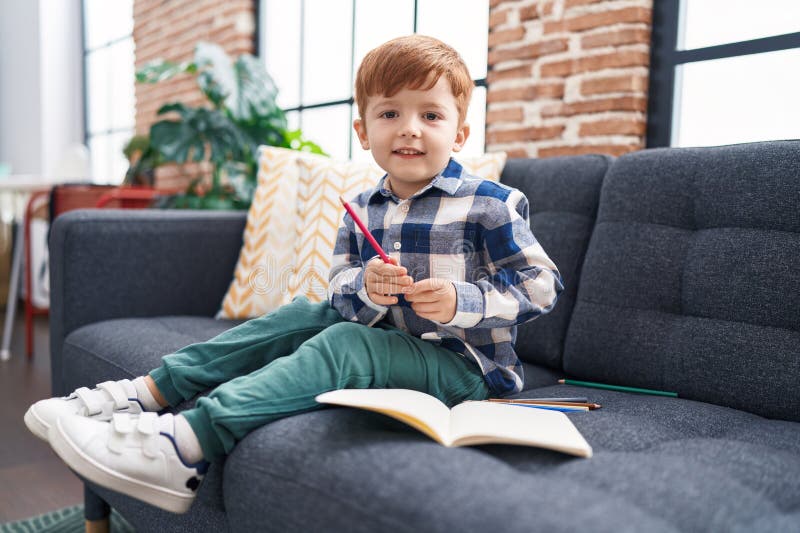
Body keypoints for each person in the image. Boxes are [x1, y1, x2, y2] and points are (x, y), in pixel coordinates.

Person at [24, 35, 563, 514]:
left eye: (431, 115)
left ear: (461, 132)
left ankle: (185, 445)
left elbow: (542, 284)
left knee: (350, 343)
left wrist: (458, 301)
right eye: (390, 114)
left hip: (465, 367)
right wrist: (364, 288)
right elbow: (339, 288)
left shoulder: (491, 204)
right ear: (363, 129)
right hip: (393, 337)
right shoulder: (362, 206)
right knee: (306, 313)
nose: (410, 130)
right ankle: (148, 391)